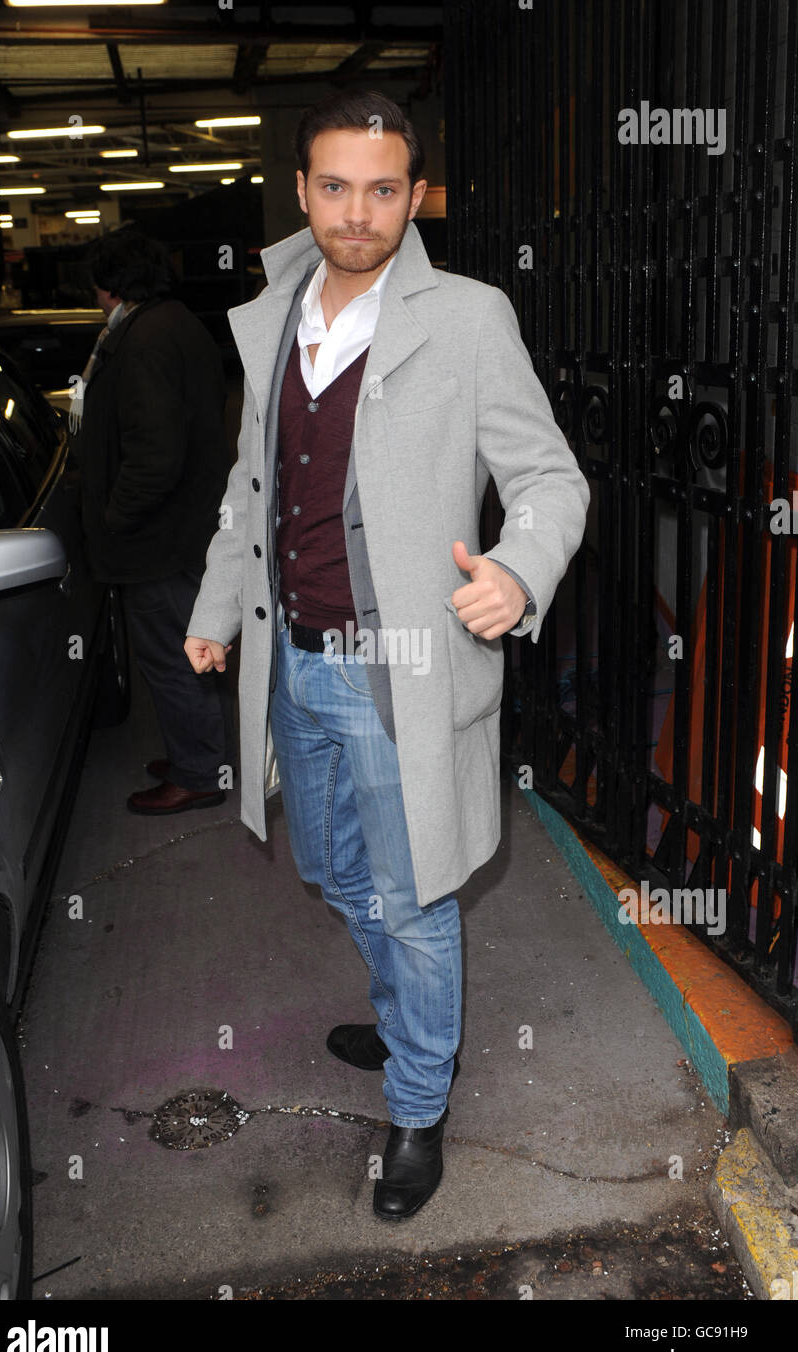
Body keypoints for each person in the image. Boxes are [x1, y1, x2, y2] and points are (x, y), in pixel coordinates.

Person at [184, 90, 590, 1218]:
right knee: (331, 871)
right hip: (293, 666)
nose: (355, 213)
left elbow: (551, 480)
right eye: (332, 186)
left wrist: (517, 570)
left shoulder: (467, 317)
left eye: (381, 189)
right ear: (303, 189)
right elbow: (247, 494)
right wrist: (218, 611)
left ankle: (419, 1098)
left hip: (400, 672)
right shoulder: (270, 315)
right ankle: (416, 1013)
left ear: (414, 196)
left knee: (414, 900)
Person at [79, 226, 236, 814]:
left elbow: (154, 453)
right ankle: (206, 757)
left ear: (111, 282)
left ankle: (198, 772)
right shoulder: (175, 323)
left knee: (174, 659)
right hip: (186, 527)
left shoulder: (142, 340)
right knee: (198, 651)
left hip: (159, 538)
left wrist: (115, 517)